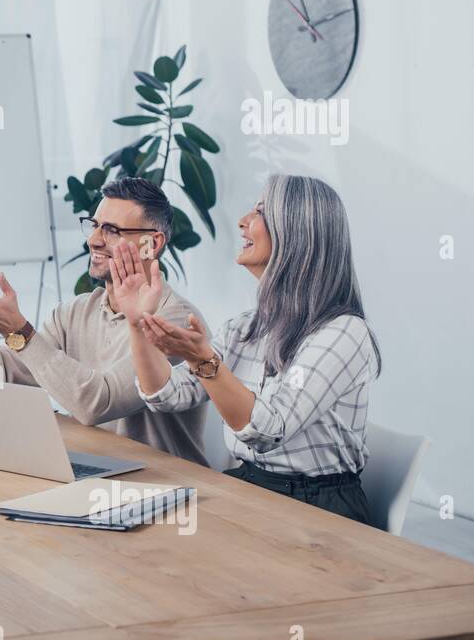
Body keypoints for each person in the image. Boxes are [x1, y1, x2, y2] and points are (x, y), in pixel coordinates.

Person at [114, 174, 381, 523]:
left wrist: (203, 360)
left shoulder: (344, 332)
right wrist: (137, 321)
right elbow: (167, 396)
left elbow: (268, 431)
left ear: (298, 233)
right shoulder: (247, 327)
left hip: (319, 507)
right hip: (251, 485)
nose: (242, 221)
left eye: (260, 212)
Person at [0, 176, 208, 463]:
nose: (94, 240)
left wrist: (19, 329)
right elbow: (1, 380)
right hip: (94, 469)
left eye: (111, 230)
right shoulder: (74, 312)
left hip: (166, 486)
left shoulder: (176, 320)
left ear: (152, 243)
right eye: (94, 226)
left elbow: (98, 403)